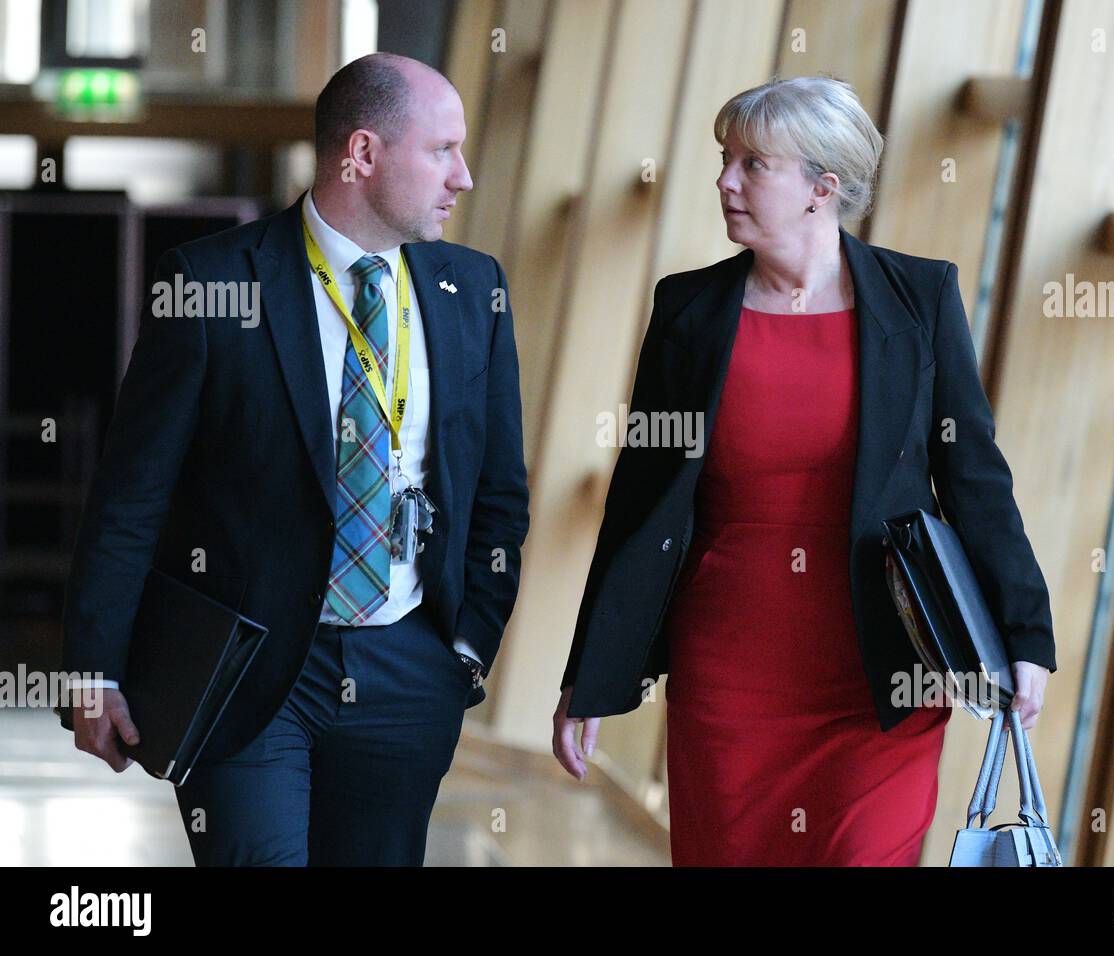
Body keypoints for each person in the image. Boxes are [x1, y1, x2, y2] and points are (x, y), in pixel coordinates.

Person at [552, 75, 1055, 866]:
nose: (724, 180)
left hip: (884, 676)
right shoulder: (687, 311)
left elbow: (974, 475)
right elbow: (640, 500)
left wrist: (1024, 632)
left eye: (753, 164)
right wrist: (593, 672)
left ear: (823, 187)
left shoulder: (919, 298)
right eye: (725, 158)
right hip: (731, 675)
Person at [59, 53, 529, 866]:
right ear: (363, 154)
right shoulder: (210, 284)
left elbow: (498, 491)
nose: (465, 177)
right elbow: (131, 495)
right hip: (245, 666)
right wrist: (93, 667)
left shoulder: (472, 288)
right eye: (442, 150)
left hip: (408, 668)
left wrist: (465, 649)